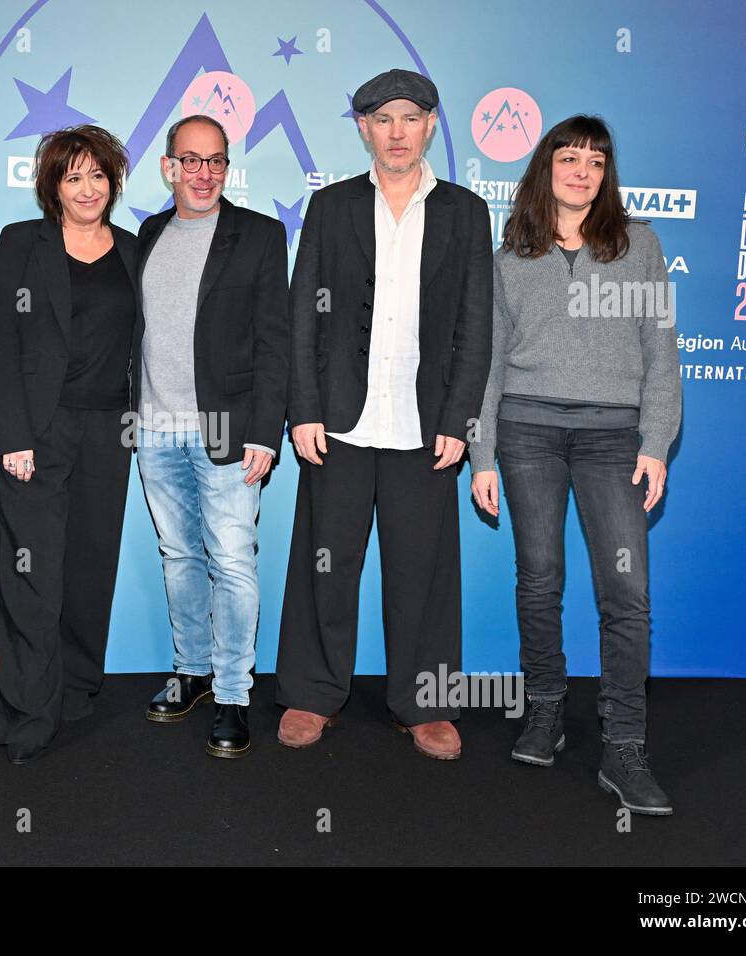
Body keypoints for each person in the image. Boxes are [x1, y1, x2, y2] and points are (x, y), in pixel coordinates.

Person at [276, 68, 492, 759]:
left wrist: (459, 420)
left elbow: (476, 329)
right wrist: (302, 408)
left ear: (431, 124)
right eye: (382, 119)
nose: (396, 133)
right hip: (337, 421)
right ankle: (312, 694)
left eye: (410, 118)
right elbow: (301, 315)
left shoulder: (465, 212)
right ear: (363, 128)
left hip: (425, 426)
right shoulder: (333, 207)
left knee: (423, 573)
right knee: (323, 567)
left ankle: (424, 705)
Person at [469, 115, 681, 815]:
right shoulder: (509, 257)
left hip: (614, 439)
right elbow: (490, 362)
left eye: (596, 159)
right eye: (569, 156)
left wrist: (655, 444)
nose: (582, 169)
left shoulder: (640, 245)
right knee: (540, 578)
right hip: (526, 432)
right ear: (546, 167)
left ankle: (624, 746)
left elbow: (662, 352)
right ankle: (548, 710)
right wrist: (481, 454)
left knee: (627, 596)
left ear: (606, 173)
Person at [133, 115, 289, 758]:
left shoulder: (259, 235)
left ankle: (232, 694)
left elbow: (275, 339)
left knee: (231, 560)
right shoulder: (146, 233)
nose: (203, 173)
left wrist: (265, 431)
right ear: (168, 166)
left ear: (228, 167)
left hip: (226, 429)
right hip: (152, 426)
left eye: (216, 161)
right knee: (179, 557)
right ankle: (192, 669)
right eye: (190, 160)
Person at [0, 125, 140, 764]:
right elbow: (3, 345)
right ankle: (27, 710)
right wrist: (13, 434)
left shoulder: (133, 250)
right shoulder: (23, 243)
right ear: (52, 186)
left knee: (90, 565)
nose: (86, 188)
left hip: (110, 430)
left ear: (114, 182)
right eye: (72, 177)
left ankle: (75, 687)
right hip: (37, 433)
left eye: (97, 176)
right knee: (31, 573)